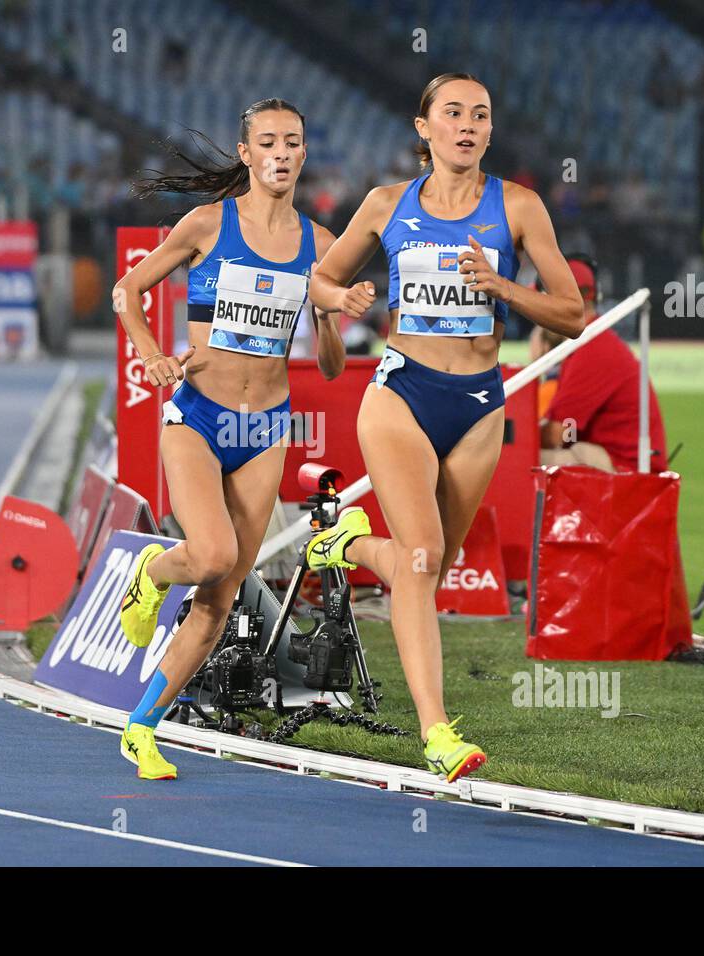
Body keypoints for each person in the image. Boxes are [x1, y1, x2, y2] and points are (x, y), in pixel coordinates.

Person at [309, 73, 584, 782]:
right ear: (423, 128)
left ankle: (348, 542)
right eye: (453, 113)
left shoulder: (517, 208)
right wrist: (344, 297)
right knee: (425, 556)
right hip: (402, 391)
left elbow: (572, 312)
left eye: (481, 115)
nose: (467, 124)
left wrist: (502, 289)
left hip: (480, 405)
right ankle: (436, 732)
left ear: (491, 132)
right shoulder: (385, 205)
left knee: (423, 571)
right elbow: (318, 280)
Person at [111, 99, 356, 780]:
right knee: (212, 555)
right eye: (268, 142)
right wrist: (150, 354)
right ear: (246, 153)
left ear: (304, 155)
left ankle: (140, 729)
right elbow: (127, 289)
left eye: (294, 143)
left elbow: (333, 369)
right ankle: (151, 573)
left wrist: (327, 316)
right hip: (197, 417)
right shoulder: (206, 224)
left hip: (265, 429)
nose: (281, 152)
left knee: (221, 600)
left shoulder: (322, 244)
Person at [531, 256, 668, 472]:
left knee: (515, 463)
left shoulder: (591, 348)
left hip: (625, 468)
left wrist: (510, 435)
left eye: (544, 299)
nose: (538, 313)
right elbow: (568, 431)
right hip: (622, 461)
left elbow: (559, 434)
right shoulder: (592, 341)